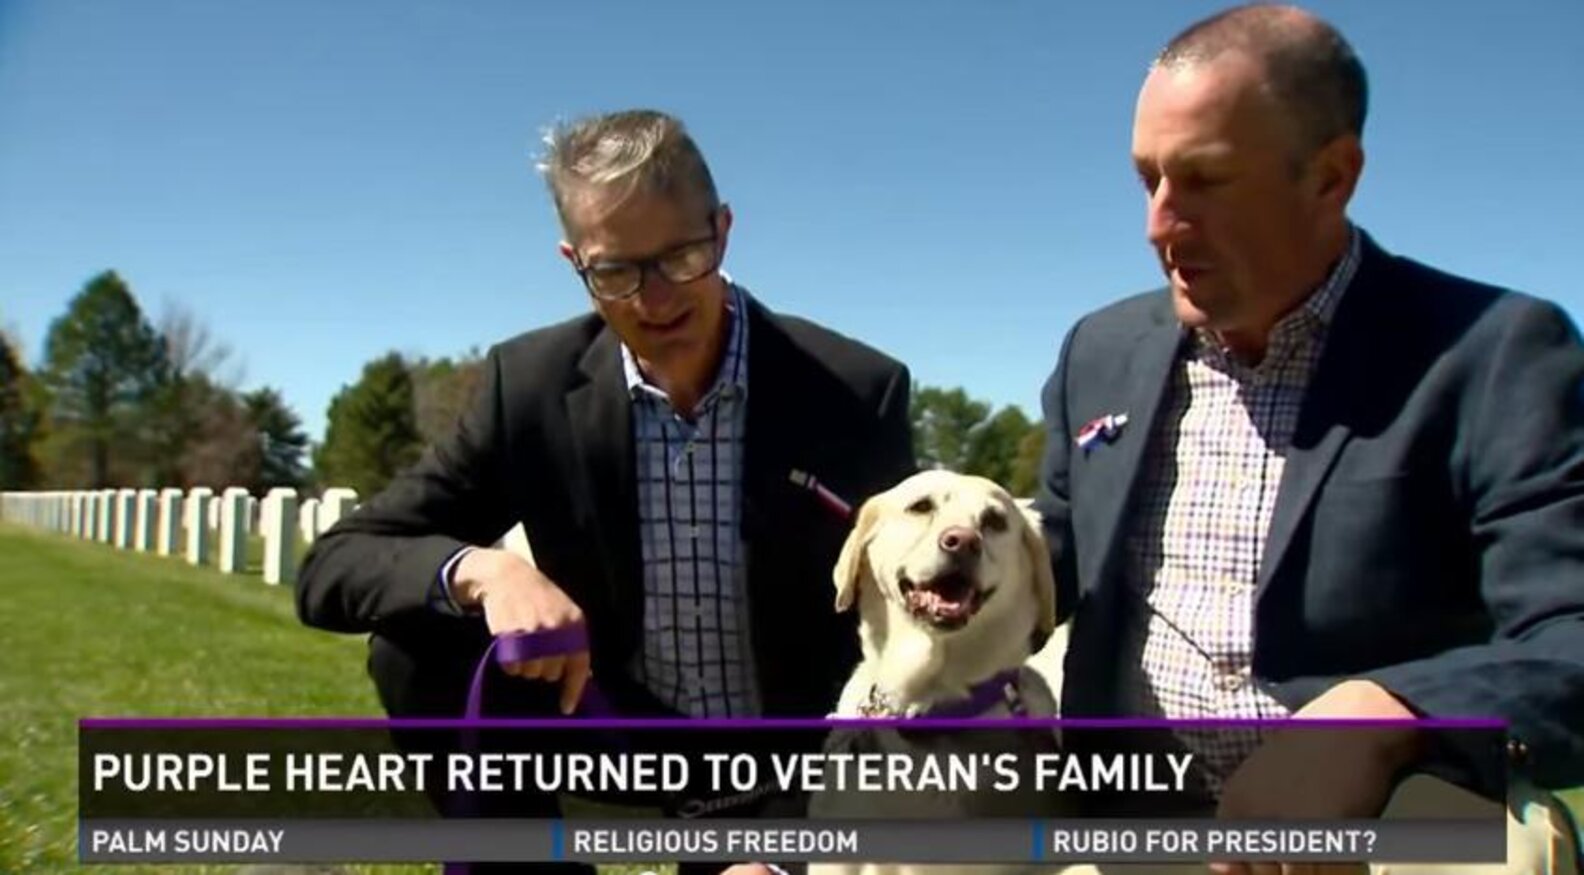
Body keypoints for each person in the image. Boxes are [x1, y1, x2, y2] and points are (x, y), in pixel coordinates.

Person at [1033, 5, 1584, 873]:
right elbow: (1039, 575)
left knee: (1510, 852)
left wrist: (1388, 711)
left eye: (1205, 180)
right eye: (1148, 180)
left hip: (1369, 823)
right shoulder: (1096, 354)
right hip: (1128, 819)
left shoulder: (1495, 350)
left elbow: (1568, 633)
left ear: (1333, 176)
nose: (1159, 224)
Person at [296, 108, 916, 873]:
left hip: (790, 758)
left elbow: (899, 641)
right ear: (573, 261)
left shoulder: (855, 391)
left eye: (683, 257)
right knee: (414, 646)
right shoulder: (527, 386)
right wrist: (484, 570)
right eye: (617, 273)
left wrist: (787, 849)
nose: (655, 300)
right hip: (611, 732)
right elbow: (337, 563)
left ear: (723, 232)